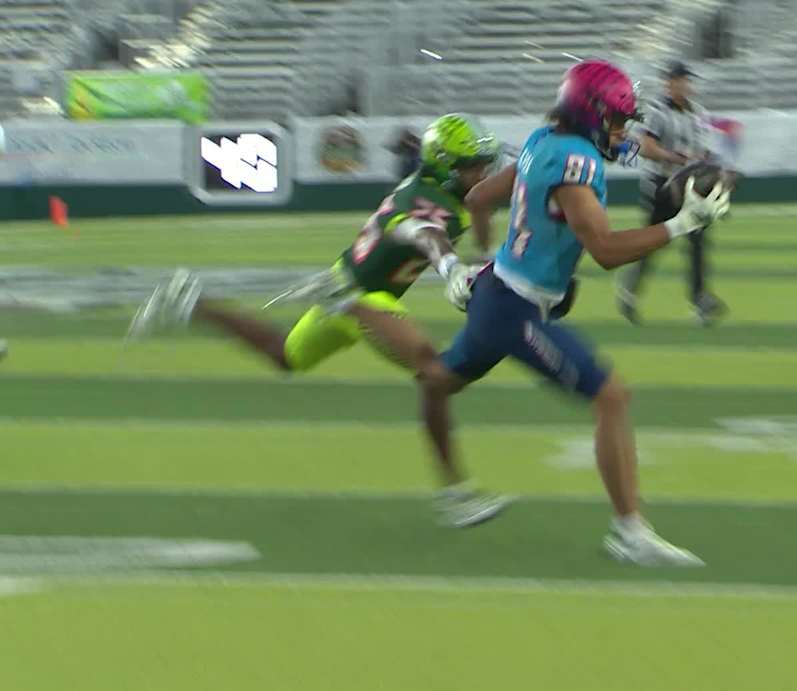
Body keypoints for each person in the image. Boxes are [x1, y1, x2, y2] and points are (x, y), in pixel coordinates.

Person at [406, 59, 729, 566]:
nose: (625, 130)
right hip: (514, 310)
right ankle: (630, 532)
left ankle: (452, 491)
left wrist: (483, 260)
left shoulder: (543, 141)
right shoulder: (574, 163)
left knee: (437, 381)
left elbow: (479, 196)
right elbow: (604, 249)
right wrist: (683, 223)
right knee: (612, 397)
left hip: (497, 293)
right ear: (592, 115)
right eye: (618, 119)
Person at [125, 114, 509, 528]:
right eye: (473, 164)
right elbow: (422, 233)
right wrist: (450, 266)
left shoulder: (445, 193)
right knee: (436, 373)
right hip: (364, 295)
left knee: (286, 356)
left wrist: (482, 247)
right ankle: (455, 494)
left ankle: (191, 302)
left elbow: (469, 213)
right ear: (446, 167)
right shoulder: (431, 204)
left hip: (345, 279)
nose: (481, 171)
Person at [616, 61, 726, 327]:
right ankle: (631, 288)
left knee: (697, 241)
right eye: (680, 80)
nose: (686, 85)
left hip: (689, 187)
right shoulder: (658, 111)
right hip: (661, 185)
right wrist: (674, 157)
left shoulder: (697, 112)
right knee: (655, 241)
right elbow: (646, 146)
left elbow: (704, 148)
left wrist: (709, 162)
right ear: (669, 83)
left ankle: (699, 299)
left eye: (688, 80)